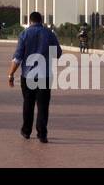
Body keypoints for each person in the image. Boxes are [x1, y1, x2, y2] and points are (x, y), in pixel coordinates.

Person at [6, 11, 62, 143]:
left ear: (30, 21)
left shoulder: (24, 34)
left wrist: (11, 74)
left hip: (28, 76)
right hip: (45, 75)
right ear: (41, 21)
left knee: (28, 103)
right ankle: (42, 134)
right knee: (43, 105)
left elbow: (18, 58)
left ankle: (26, 131)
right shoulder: (49, 34)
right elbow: (58, 53)